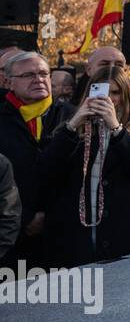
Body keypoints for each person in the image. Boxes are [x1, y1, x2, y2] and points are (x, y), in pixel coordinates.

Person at [40, 67, 130, 267]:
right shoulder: (70, 128)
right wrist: (74, 123)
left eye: (115, 93)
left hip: (124, 227)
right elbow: (46, 167)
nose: (108, 99)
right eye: (102, 93)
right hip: (76, 230)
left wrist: (116, 128)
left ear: (126, 96)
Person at [1, 52, 72, 268]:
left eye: (43, 73)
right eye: (29, 75)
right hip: (11, 237)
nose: (38, 79)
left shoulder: (73, 116)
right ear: (8, 81)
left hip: (64, 232)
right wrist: (25, 218)